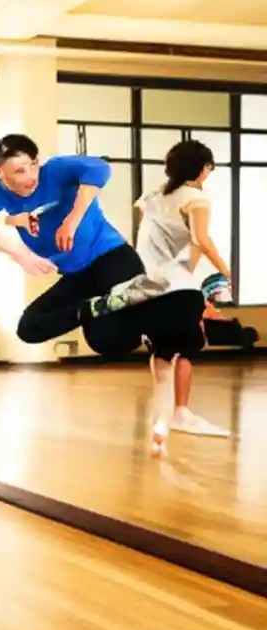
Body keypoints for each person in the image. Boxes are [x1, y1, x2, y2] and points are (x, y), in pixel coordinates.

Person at [81, 140, 232, 452]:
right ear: (203, 170)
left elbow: (148, 230)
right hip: (175, 285)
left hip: (145, 282)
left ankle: (161, 425)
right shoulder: (196, 199)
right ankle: (181, 412)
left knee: (163, 351)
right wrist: (225, 270)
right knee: (189, 346)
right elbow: (200, 239)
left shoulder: (151, 196)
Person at [0, 134, 148, 357]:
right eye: (20, 171)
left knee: (120, 336)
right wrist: (21, 255)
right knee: (30, 328)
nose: (31, 176)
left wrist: (72, 220)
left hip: (113, 259)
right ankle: (92, 309)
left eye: (33, 165)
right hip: (77, 275)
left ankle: (152, 317)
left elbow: (99, 168)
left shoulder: (55, 170)